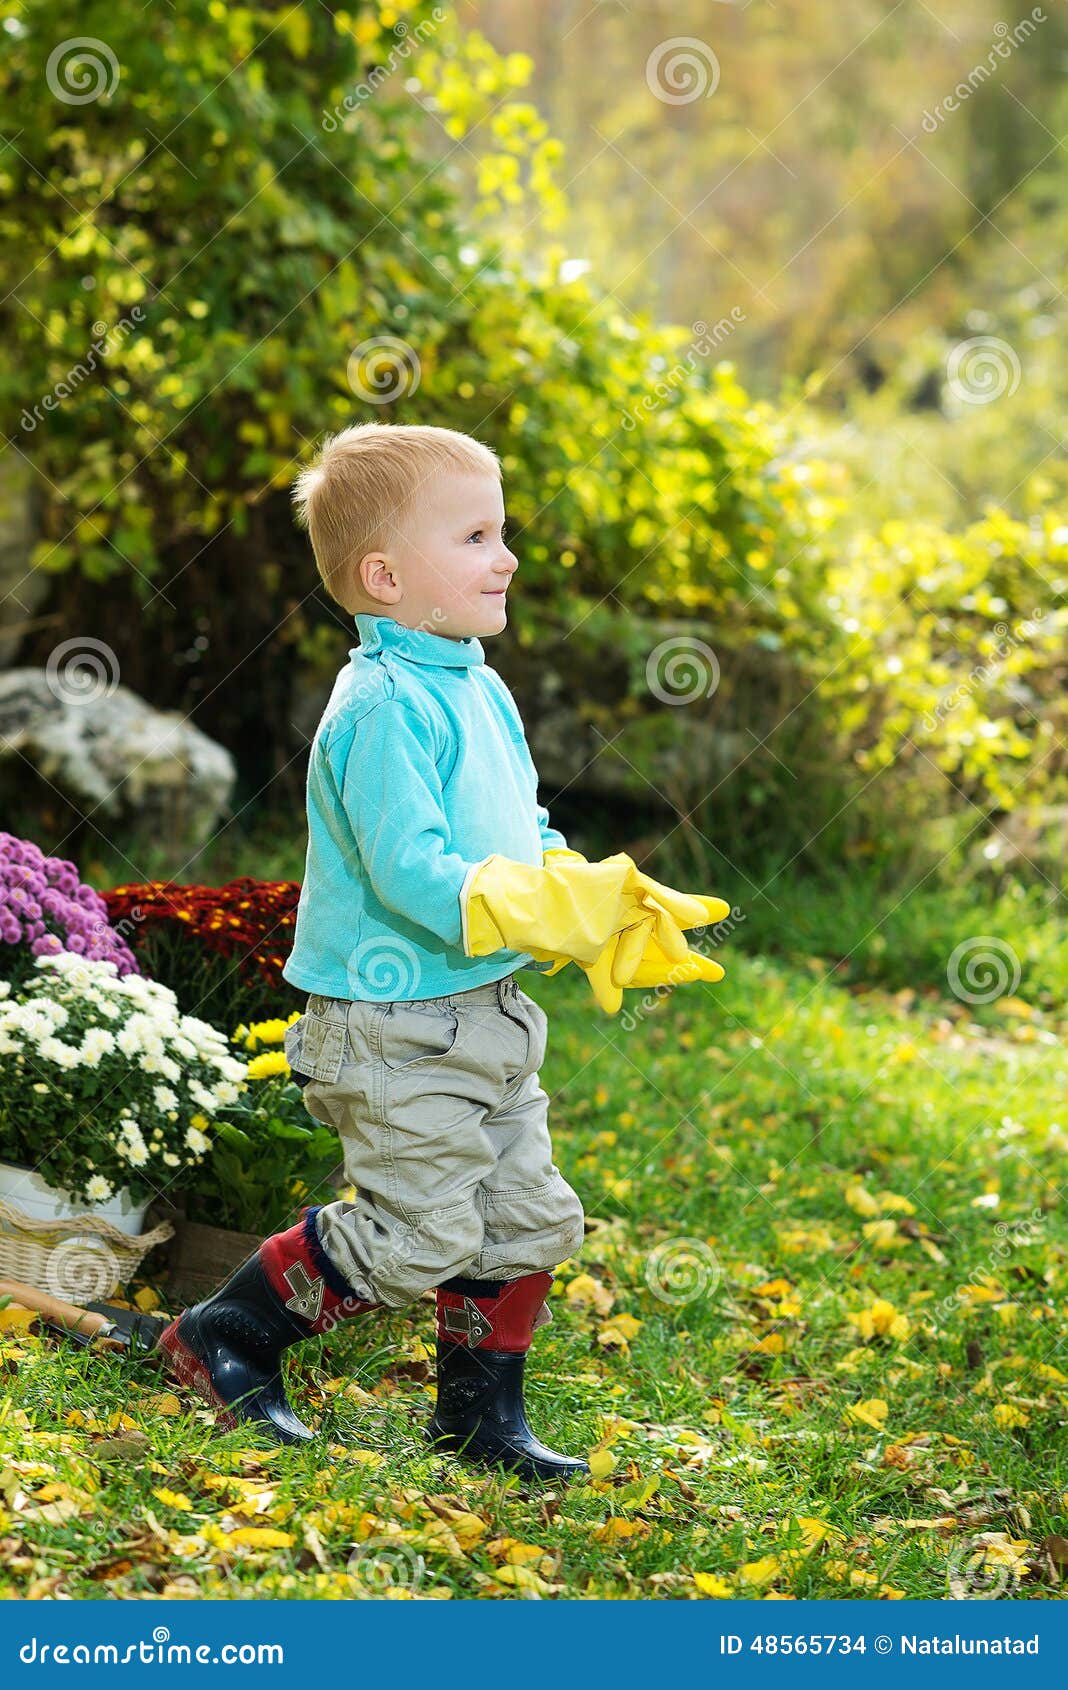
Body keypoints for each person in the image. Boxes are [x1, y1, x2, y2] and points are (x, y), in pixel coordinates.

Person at [160, 422, 725, 1482]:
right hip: (392, 1027)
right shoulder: (376, 707)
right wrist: (526, 905)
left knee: (528, 1218)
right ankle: (226, 1334)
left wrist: (585, 896)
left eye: (499, 531)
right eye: (476, 535)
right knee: (418, 1232)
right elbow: (414, 873)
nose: (505, 556)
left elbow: (522, 828)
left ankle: (477, 1417)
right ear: (386, 574)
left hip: (490, 1015)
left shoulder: (477, 684)